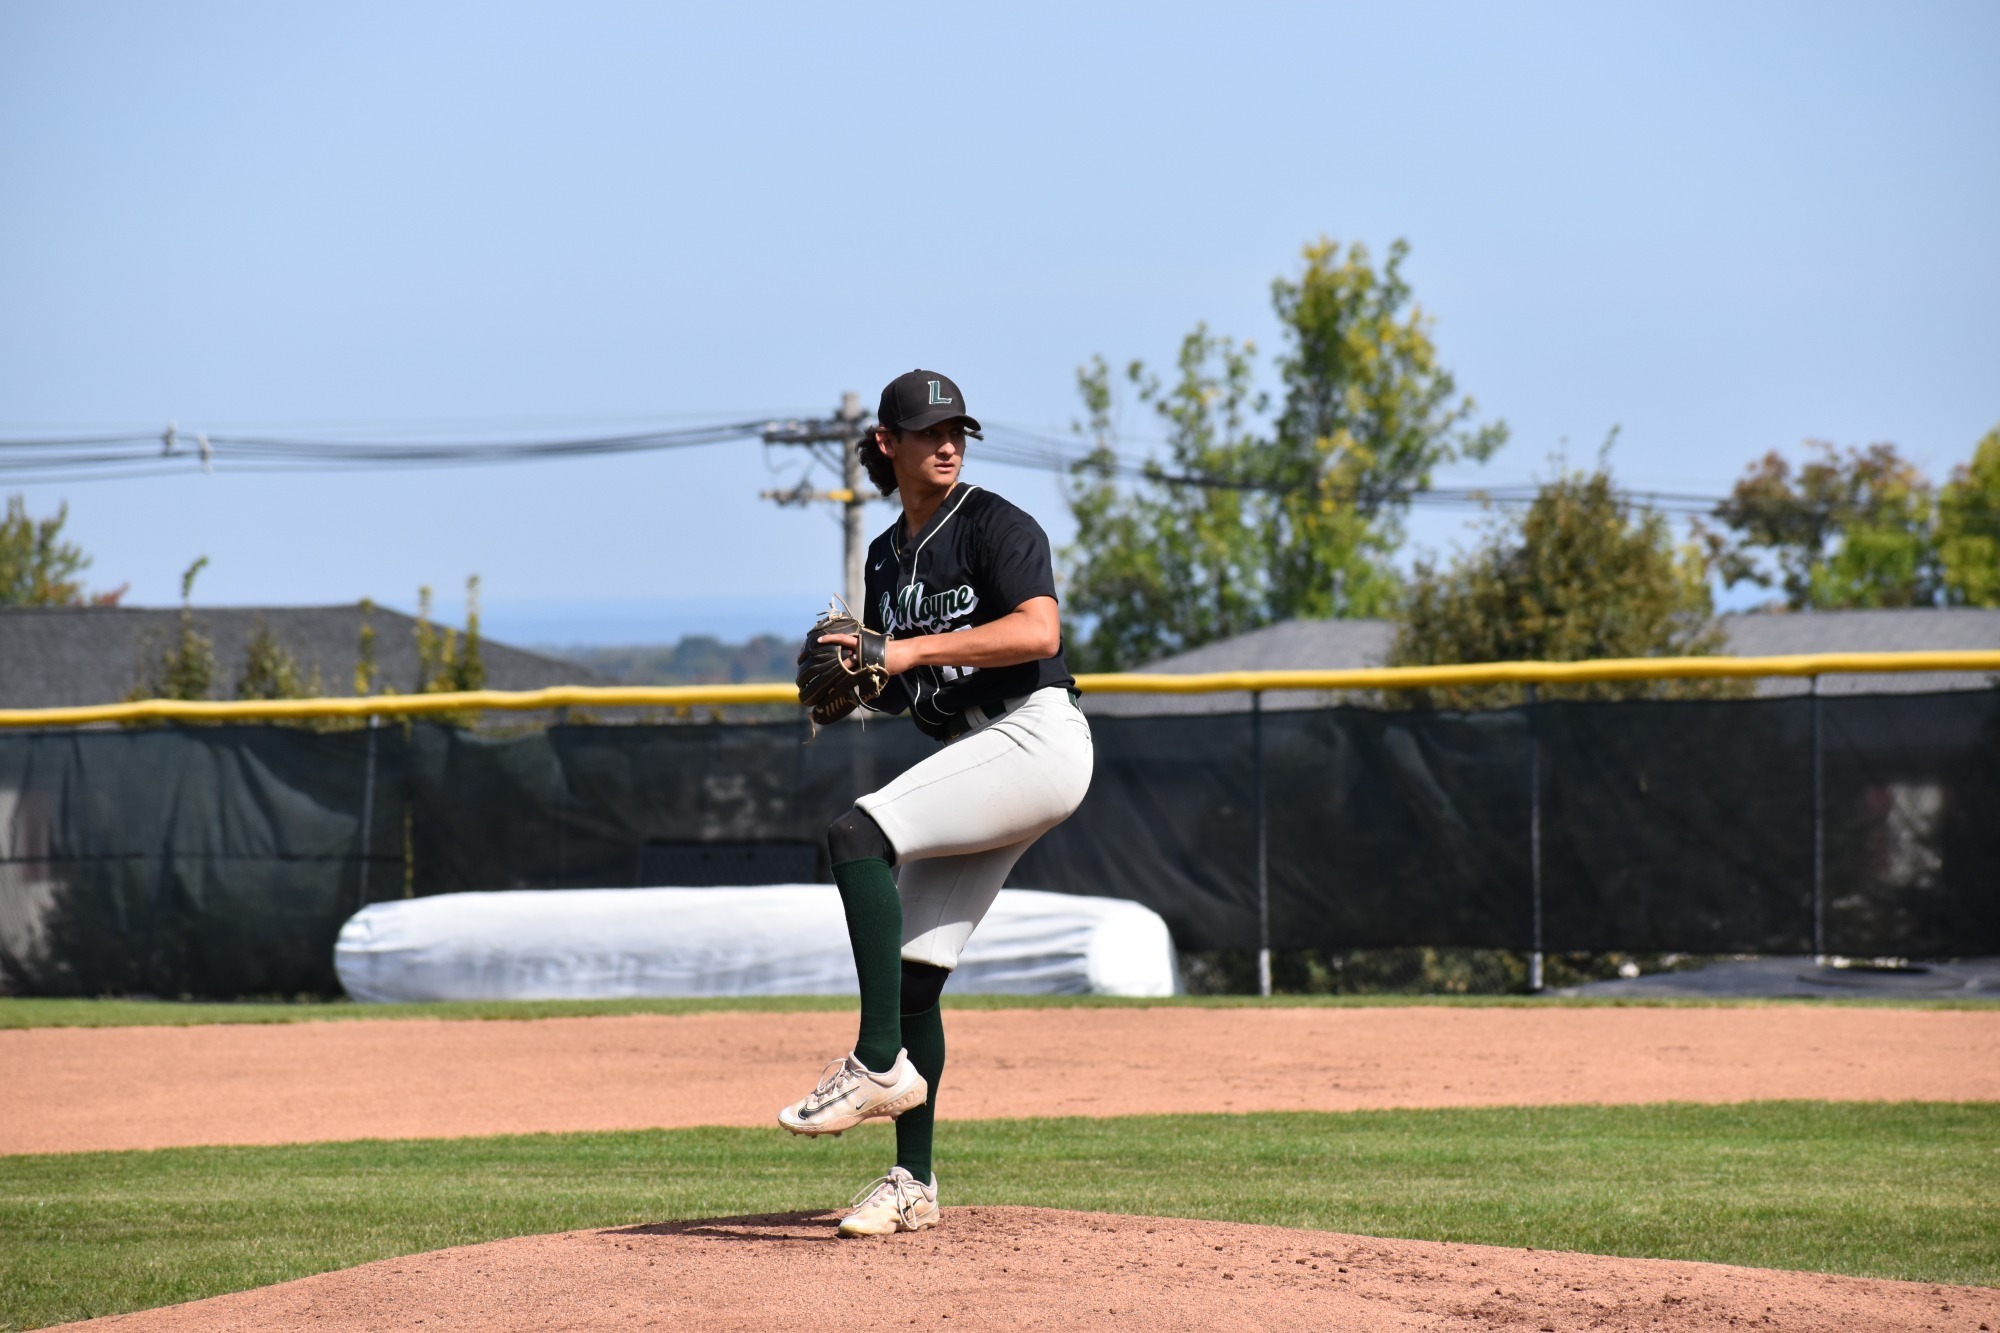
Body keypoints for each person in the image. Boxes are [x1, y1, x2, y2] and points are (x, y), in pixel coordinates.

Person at [779, 369, 1094, 1237]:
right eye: (927, 431)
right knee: (916, 974)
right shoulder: (885, 559)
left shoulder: (997, 523)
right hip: (977, 751)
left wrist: (909, 650)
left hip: (1036, 734)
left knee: (857, 832)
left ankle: (876, 1063)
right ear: (888, 443)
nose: (948, 442)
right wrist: (862, 675)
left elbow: (1039, 631)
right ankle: (913, 1180)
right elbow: (901, 685)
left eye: (956, 428)